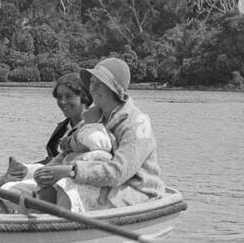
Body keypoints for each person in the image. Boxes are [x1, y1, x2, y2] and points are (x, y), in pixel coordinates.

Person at [35, 57, 165, 209]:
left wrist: (71, 171)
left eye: (100, 84)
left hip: (136, 191)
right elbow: (70, 150)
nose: (93, 89)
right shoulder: (93, 117)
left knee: (66, 187)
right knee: (47, 190)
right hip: (105, 186)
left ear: (114, 89)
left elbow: (118, 172)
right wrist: (48, 170)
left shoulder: (137, 124)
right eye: (92, 82)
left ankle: (60, 229)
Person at [0, 70, 103, 185]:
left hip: (68, 181)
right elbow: (53, 158)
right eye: (59, 97)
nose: (63, 102)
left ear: (84, 97)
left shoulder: (93, 130)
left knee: (11, 185)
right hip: (50, 175)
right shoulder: (63, 127)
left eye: (69, 96)